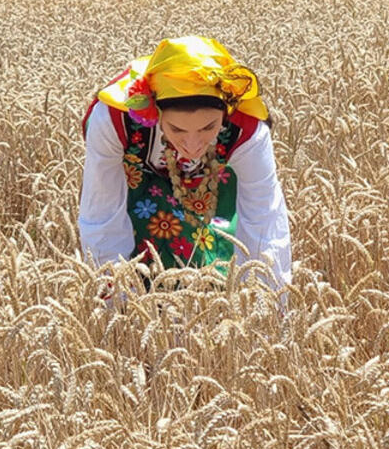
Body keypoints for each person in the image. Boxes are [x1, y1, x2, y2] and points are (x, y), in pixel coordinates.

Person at [78, 36, 291, 289]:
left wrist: (265, 306)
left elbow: (264, 221)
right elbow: (101, 215)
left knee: (215, 272)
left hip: (211, 184)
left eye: (208, 127)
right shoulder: (113, 119)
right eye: (177, 129)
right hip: (136, 185)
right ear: (154, 113)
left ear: (226, 113)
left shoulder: (247, 128)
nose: (192, 146)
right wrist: (115, 299)